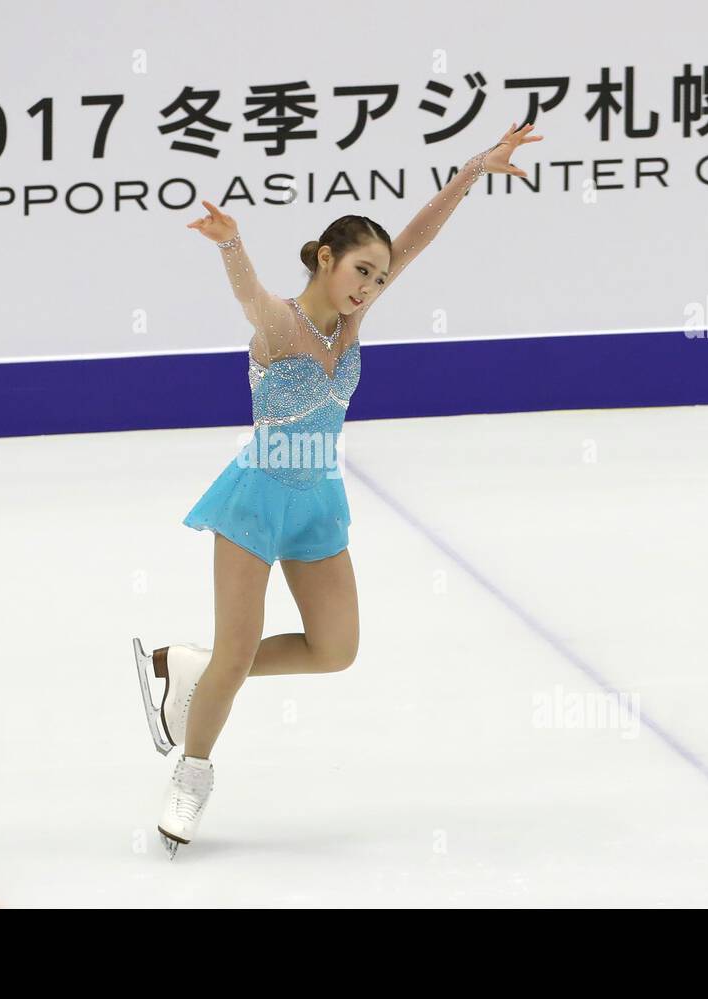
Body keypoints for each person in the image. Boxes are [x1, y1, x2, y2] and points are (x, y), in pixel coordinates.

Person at [137, 122, 544, 857]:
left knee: (335, 648)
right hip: (258, 498)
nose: (370, 286)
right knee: (239, 651)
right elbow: (250, 294)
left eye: (379, 278)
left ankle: (190, 666)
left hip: (317, 501)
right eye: (360, 269)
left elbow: (417, 235)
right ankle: (189, 774)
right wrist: (231, 242)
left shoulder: (352, 326)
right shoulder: (278, 329)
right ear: (326, 259)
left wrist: (473, 171)